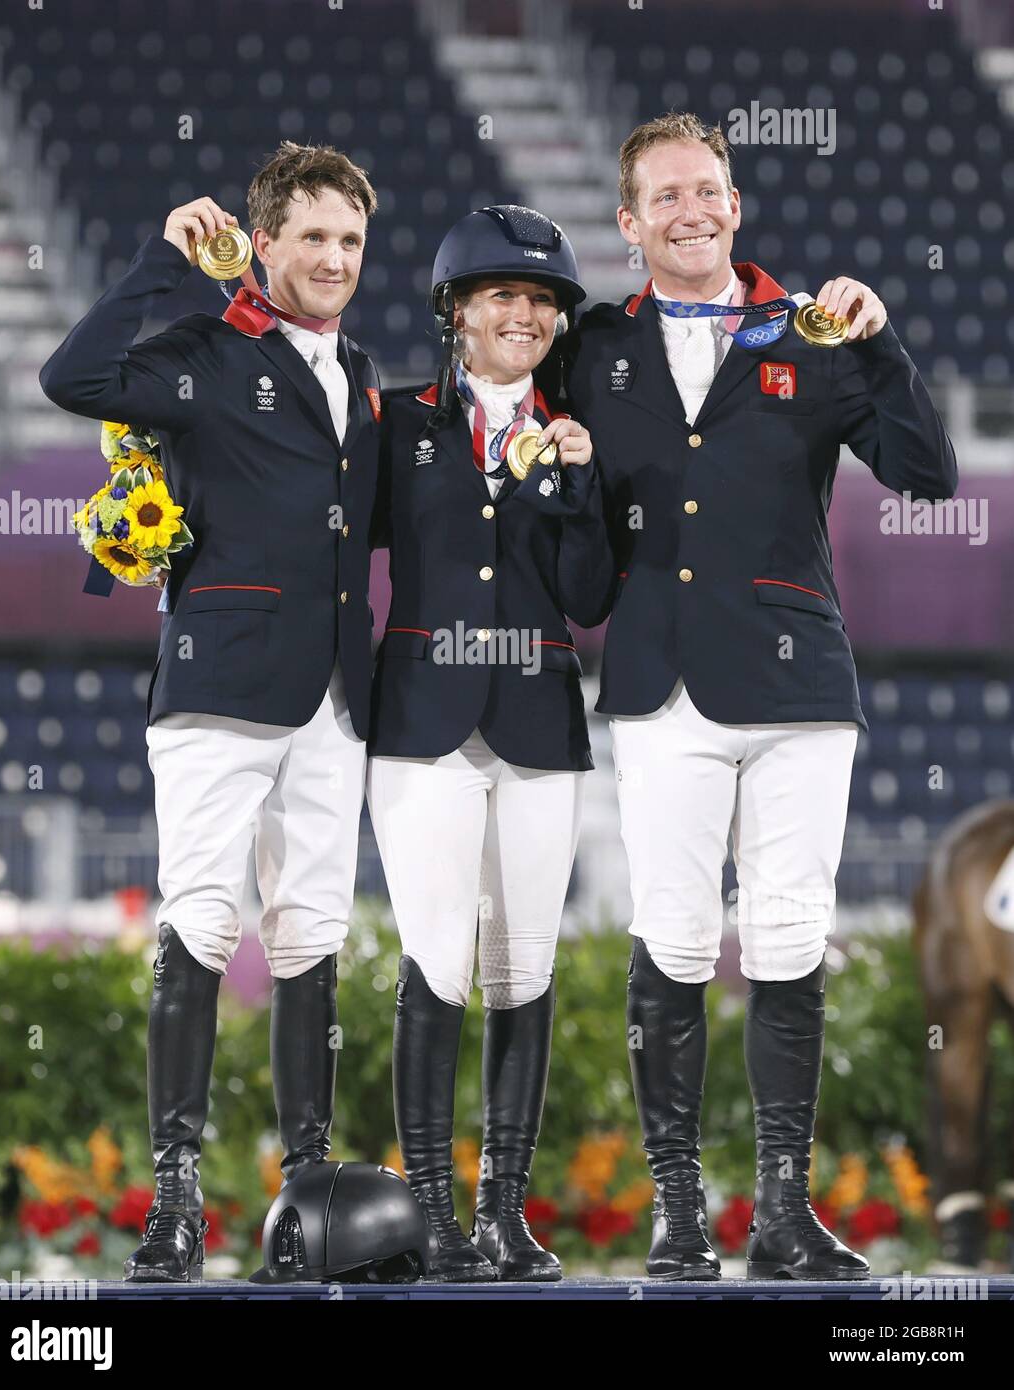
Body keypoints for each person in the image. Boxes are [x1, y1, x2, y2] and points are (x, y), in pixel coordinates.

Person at [567, 112, 957, 1281]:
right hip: (658, 686)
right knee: (674, 944)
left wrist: (882, 346)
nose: (694, 211)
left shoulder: (818, 332)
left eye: (710, 189)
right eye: (666, 197)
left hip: (795, 684)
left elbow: (929, 475)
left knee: (788, 939)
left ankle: (783, 1214)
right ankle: (679, 1211)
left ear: (734, 202)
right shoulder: (592, 346)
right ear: (630, 223)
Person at [40, 142, 382, 1281]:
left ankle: (310, 1195)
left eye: (350, 240)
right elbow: (71, 378)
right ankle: (176, 1202)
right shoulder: (200, 348)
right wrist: (163, 262)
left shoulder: (370, 376)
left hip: (336, 698)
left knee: (314, 939)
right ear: (266, 241)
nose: (333, 258)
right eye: (314, 237)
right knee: (198, 925)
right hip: (220, 687)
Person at [366, 205, 614, 1281]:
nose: (524, 314)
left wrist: (573, 484)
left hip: (537, 719)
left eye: (541, 301)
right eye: (503, 296)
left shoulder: (572, 435)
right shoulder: (395, 422)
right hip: (423, 718)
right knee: (435, 958)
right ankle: (429, 1209)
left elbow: (592, 594)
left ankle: (503, 1211)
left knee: (524, 966)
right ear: (456, 310)